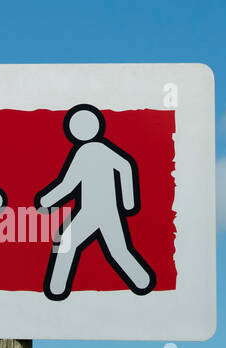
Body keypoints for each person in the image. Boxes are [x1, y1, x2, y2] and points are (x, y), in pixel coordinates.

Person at [35, 104, 155, 301]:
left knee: (69, 243)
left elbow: (68, 185)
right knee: (117, 250)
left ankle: (56, 289)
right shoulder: (102, 149)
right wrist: (128, 202)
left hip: (93, 212)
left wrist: (46, 201)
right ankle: (142, 281)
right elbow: (125, 167)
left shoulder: (85, 152)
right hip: (104, 212)